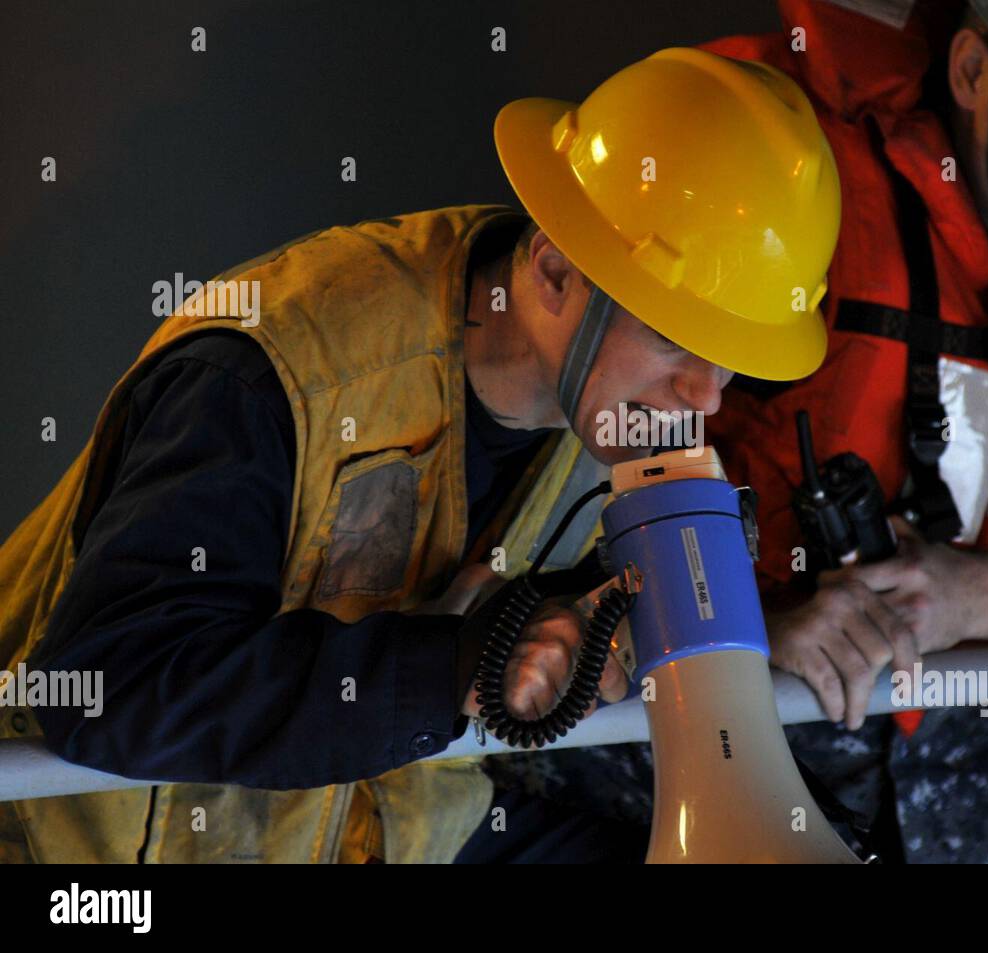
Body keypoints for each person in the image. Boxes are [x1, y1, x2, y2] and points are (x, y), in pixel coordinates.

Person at [0, 47, 841, 863]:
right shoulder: (276, 370)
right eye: (674, 336)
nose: (706, 398)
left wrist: (752, 641)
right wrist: (455, 669)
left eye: (731, 353)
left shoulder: (611, 425)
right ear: (553, 274)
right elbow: (107, 686)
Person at [485, 0, 988, 863]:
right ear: (973, 70)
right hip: (636, 802)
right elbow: (565, 470)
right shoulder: (779, 185)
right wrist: (755, 631)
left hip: (953, 825)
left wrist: (970, 597)